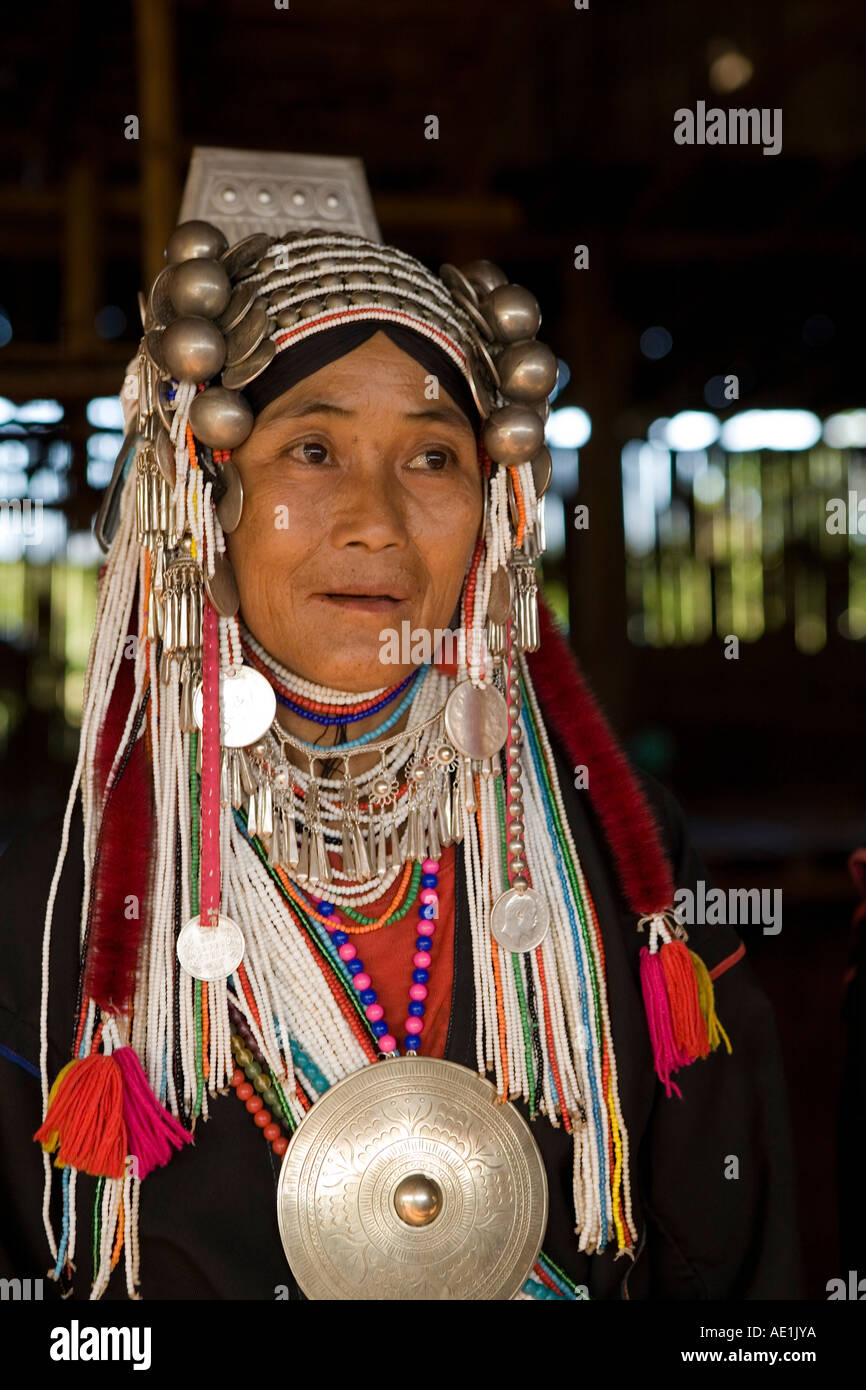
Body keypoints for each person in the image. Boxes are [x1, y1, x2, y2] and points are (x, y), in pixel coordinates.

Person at [0, 155, 803, 1301]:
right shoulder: (57, 920)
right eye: (311, 451)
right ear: (200, 503)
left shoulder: (621, 871)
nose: (374, 522)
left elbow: (732, 1267)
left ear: (492, 510)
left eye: (431, 456)